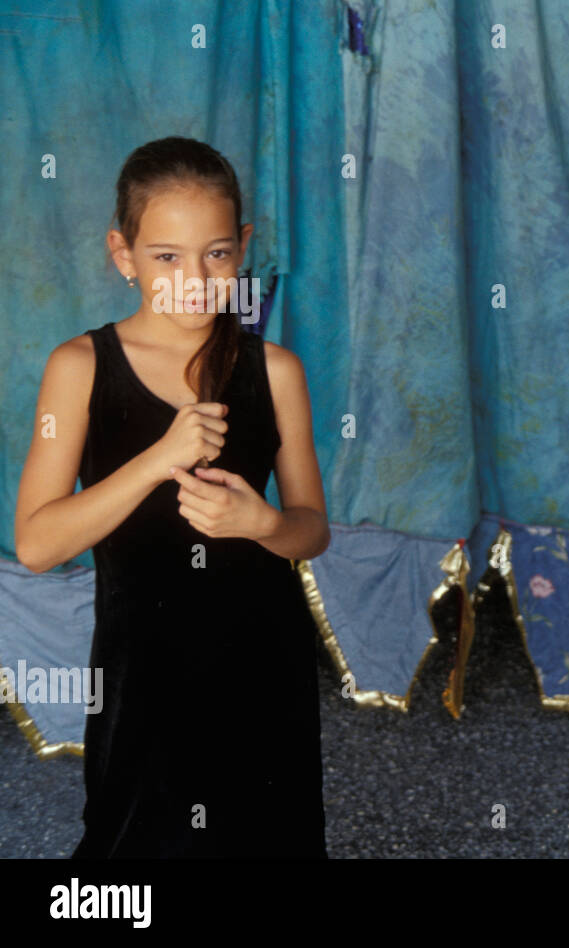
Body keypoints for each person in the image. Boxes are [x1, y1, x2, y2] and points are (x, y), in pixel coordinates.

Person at [13, 137, 329, 857]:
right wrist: (157, 459)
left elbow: (312, 531)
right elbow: (36, 543)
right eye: (166, 258)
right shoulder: (81, 368)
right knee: (132, 849)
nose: (195, 279)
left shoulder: (274, 372)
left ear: (243, 248)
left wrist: (264, 523)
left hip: (262, 666)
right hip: (142, 671)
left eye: (216, 254)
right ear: (122, 255)